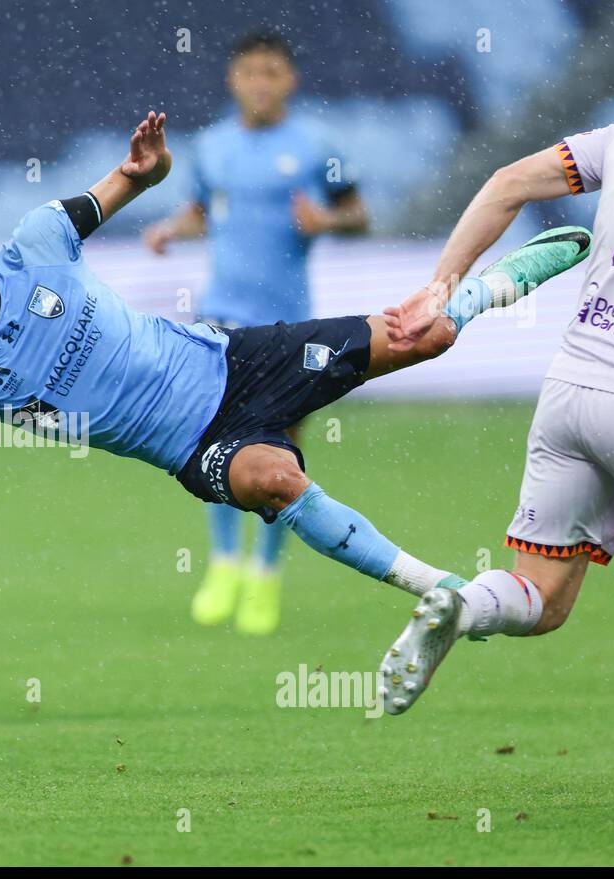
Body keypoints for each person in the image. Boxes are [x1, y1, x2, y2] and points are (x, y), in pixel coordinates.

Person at [0, 112, 586, 640]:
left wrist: (147, 169)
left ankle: (490, 287)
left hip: (237, 358)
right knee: (271, 478)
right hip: (193, 446)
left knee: (426, 334)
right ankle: (444, 591)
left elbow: (123, 183)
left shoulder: (37, 243)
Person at [375, 110, 614, 793]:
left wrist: (440, 292)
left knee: (542, 598)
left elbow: (509, 182)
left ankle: (464, 607)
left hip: (570, 389)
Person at [144, 31, 368, 635]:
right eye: (250, 73)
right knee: (209, 433)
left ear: (289, 80)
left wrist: (327, 220)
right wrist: (169, 229)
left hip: (289, 321)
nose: (261, 83)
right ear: (233, 80)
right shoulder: (213, 147)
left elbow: (359, 213)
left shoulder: (319, 146)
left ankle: (266, 573)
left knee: (282, 447)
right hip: (222, 315)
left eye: (272, 72)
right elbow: (200, 212)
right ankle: (224, 564)